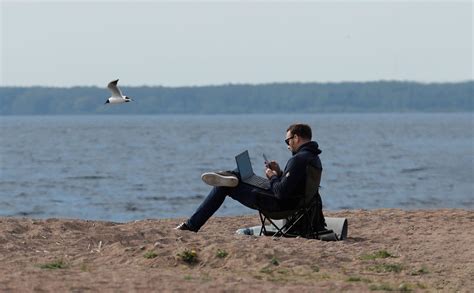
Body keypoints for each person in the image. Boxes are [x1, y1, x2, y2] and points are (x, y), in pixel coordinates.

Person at [175, 123, 325, 232]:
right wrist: (279, 173)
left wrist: (272, 177)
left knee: (223, 187)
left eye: (288, 141)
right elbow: (294, 185)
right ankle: (232, 175)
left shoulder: (298, 159)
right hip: (293, 203)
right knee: (238, 176)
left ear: (296, 138)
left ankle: (191, 225)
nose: (287, 146)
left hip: (279, 206)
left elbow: (281, 193)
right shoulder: (312, 157)